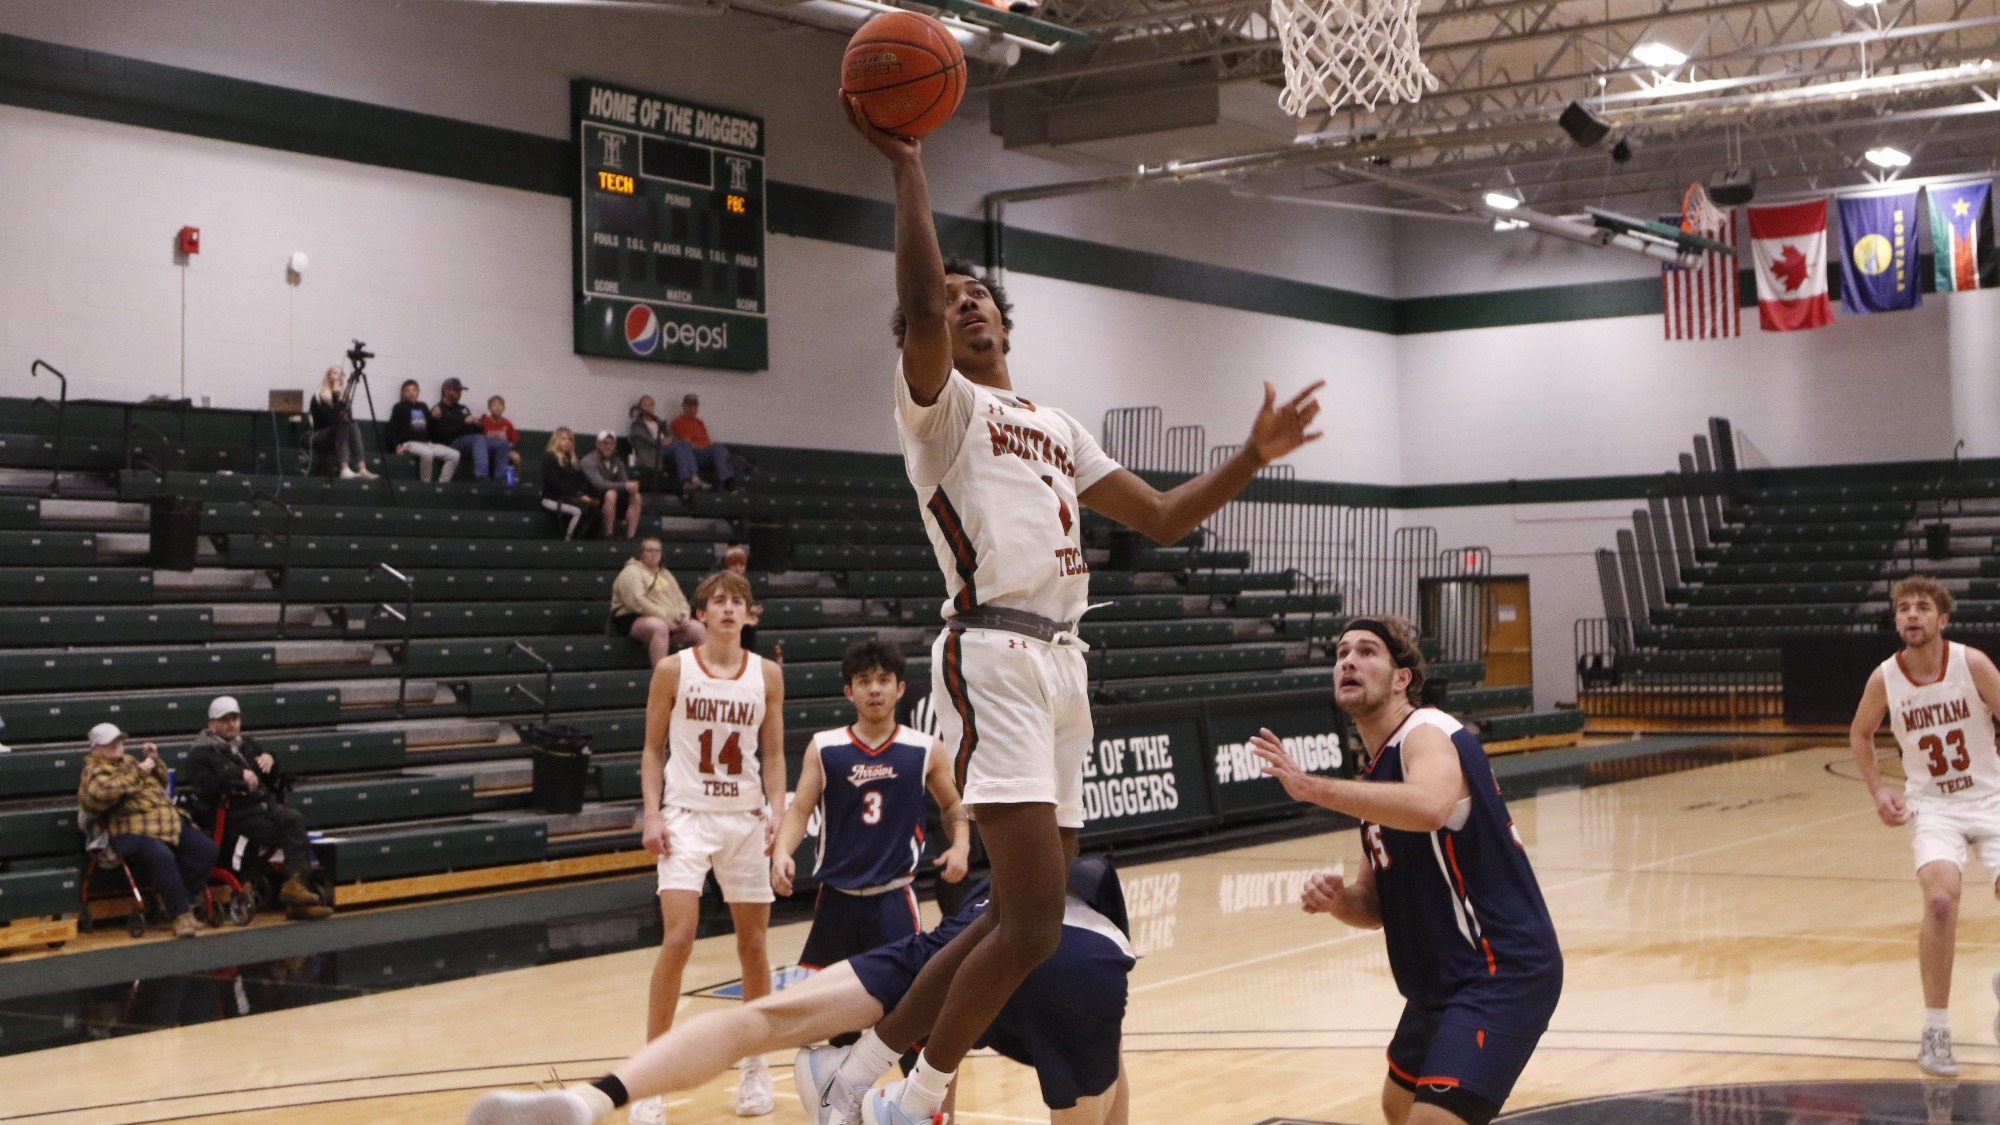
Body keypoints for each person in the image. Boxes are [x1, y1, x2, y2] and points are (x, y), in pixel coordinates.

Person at [812, 96, 1323, 1125]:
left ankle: (856, 1071)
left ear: (1004, 319)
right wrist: (909, 169)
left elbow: (1168, 518)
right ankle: (908, 1096)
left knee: (1018, 916)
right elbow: (915, 308)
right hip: (991, 651)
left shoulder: (1053, 422)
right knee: (1035, 923)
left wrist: (1251, 457)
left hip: (1061, 665)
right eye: (947, 298)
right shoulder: (939, 411)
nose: (964, 305)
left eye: (977, 295)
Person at [465, 857, 1135, 1125]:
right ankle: (882, 1097)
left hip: (955, 943)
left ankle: (589, 1098)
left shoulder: (993, 893)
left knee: (762, 1019)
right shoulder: (1101, 939)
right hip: (1078, 976)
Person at [1248, 618, 1563, 1125]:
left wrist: (1314, 788)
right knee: (1398, 1107)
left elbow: (1432, 806)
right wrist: (1337, 901)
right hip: (1440, 983)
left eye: (1368, 651)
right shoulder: (1378, 776)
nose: (1348, 660)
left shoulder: (1427, 731)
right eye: (1342, 652)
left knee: (1433, 1121)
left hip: (1501, 970)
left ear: (1402, 679)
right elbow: (1373, 908)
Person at [633, 569, 787, 1123]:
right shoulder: (672, 670)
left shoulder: (767, 675)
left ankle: (754, 1068)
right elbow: (653, 750)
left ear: (750, 615)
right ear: (699, 614)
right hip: (687, 816)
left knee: (754, 947)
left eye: (737, 601)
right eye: (717, 601)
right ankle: (649, 1078)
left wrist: (779, 812)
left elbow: (773, 755)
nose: (727, 609)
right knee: (679, 936)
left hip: (745, 818)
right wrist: (652, 813)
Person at [1846, 575, 2000, 1077]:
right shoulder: (1883, 677)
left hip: (1991, 799)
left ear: (1943, 619)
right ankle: (1936, 1029)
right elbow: (1861, 733)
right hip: (1933, 807)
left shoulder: (1971, 663)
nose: (1911, 615)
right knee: (1939, 900)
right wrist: (1877, 789)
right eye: (1903, 608)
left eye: (1922, 607)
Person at [774, 640, 971, 976]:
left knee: (900, 1005)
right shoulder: (824, 747)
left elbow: (952, 804)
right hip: (837, 898)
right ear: (849, 691)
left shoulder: (924, 748)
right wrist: (781, 851)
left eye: (883, 680)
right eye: (864, 681)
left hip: (893, 898)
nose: (875, 689)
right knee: (829, 1011)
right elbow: (799, 811)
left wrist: (961, 846)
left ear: (900, 688)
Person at [181, 696, 333, 921]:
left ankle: (296, 891)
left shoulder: (247, 745)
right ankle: (292, 893)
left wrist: (271, 760)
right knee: (289, 828)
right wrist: (237, 775)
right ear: (211, 724)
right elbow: (205, 789)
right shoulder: (201, 753)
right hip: (232, 813)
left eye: (235, 718)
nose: (232, 723)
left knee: (293, 819)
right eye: (225, 719)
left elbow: (270, 780)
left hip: (263, 807)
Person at [77, 722, 218, 940]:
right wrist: (138, 772)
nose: (117, 746)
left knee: (205, 849)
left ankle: (179, 900)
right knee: (161, 855)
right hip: (129, 827)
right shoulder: (93, 771)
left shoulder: (131, 762)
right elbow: (103, 794)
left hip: (166, 821)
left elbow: (161, 781)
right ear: (95, 748)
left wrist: (155, 760)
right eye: (110, 743)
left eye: (119, 741)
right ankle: (179, 915)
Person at [611, 536, 706, 666]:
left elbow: (680, 598)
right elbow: (637, 602)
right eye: (650, 550)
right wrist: (664, 618)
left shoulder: (665, 573)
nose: (654, 554)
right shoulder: (631, 572)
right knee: (659, 627)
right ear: (641, 553)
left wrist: (684, 615)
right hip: (632, 618)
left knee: (698, 629)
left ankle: (704, 673)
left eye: (657, 551)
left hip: (671, 619)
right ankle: (660, 675)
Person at [434, 377, 511, 480]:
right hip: (452, 443)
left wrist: (478, 424)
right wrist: (463, 422)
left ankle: (500, 477)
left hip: (469, 441)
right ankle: (481, 476)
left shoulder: (463, 408)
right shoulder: (439, 409)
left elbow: (472, 431)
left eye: (460, 391)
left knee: (502, 443)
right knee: (478, 439)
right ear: (445, 390)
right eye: (456, 390)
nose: (459, 393)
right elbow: (441, 433)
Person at [387, 379, 461, 481]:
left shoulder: (423, 406)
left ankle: (443, 483)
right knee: (427, 453)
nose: (411, 392)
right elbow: (392, 429)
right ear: (403, 393)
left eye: (414, 389)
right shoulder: (399, 407)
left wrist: (435, 418)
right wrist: (397, 446)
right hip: (409, 443)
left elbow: (431, 427)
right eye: (407, 390)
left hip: (427, 443)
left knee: (455, 455)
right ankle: (426, 483)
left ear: (418, 392)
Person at [309, 366, 373, 479]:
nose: (339, 377)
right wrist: (339, 401)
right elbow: (328, 420)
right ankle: (344, 467)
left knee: (352, 425)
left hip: (338, 434)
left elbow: (348, 419)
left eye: (342, 374)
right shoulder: (318, 397)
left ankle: (362, 467)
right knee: (343, 425)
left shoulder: (343, 398)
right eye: (335, 373)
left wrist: (342, 400)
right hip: (319, 434)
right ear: (328, 376)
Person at [583, 430, 644, 540]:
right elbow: (598, 484)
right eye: (605, 443)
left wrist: (631, 487)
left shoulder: (617, 461)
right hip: (594, 495)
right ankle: (609, 534)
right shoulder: (589, 460)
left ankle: (631, 536)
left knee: (636, 496)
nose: (608, 446)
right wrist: (625, 485)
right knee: (611, 494)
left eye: (611, 444)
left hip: (615, 495)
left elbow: (624, 480)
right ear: (598, 444)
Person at [667, 393, 734, 492]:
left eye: (695, 406)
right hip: (693, 453)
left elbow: (707, 442)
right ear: (684, 406)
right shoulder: (677, 422)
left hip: (704, 451)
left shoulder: (699, 423)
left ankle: (726, 480)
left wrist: (707, 446)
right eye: (690, 406)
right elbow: (688, 444)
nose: (693, 409)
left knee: (719, 448)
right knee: (716, 448)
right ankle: (725, 481)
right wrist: (704, 446)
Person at [541, 428, 599, 540]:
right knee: (578, 511)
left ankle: (585, 539)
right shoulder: (550, 458)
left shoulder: (574, 461)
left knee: (594, 508)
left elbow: (582, 481)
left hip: (570, 497)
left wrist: (582, 494)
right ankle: (568, 540)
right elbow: (553, 482)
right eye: (563, 439)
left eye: (570, 440)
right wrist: (577, 495)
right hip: (552, 498)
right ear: (556, 440)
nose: (567, 442)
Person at [628, 395, 678, 491]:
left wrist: (669, 440)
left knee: (682, 445)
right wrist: (662, 442)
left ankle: (691, 478)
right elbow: (648, 441)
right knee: (679, 446)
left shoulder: (659, 422)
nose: (648, 408)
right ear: (640, 408)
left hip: (666, 449)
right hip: (652, 451)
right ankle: (688, 479)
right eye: (645, 405)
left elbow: (667, 436)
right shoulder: (638, 425)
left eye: (651, 405)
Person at [722, 545, 764, 653]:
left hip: (741, 614)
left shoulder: (744, 583)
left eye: (741, 565)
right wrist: (749, 609)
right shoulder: (722, 582)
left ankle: (748, 655)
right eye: (734, 565)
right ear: (727, 566)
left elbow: (746, 601)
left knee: (751, 622)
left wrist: (753, 609)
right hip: (726, 615)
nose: (738, 568)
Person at [480, 395, 522, 482]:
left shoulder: (507, 423)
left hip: (503, 451)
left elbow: (512, 440)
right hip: (487, 450)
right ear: (489, 408)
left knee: (516, 457)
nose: (497, 407)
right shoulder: (485, 421)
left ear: (504, 407)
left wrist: (508, 449)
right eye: (494, 405)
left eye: (500, 405)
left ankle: (515, 479)